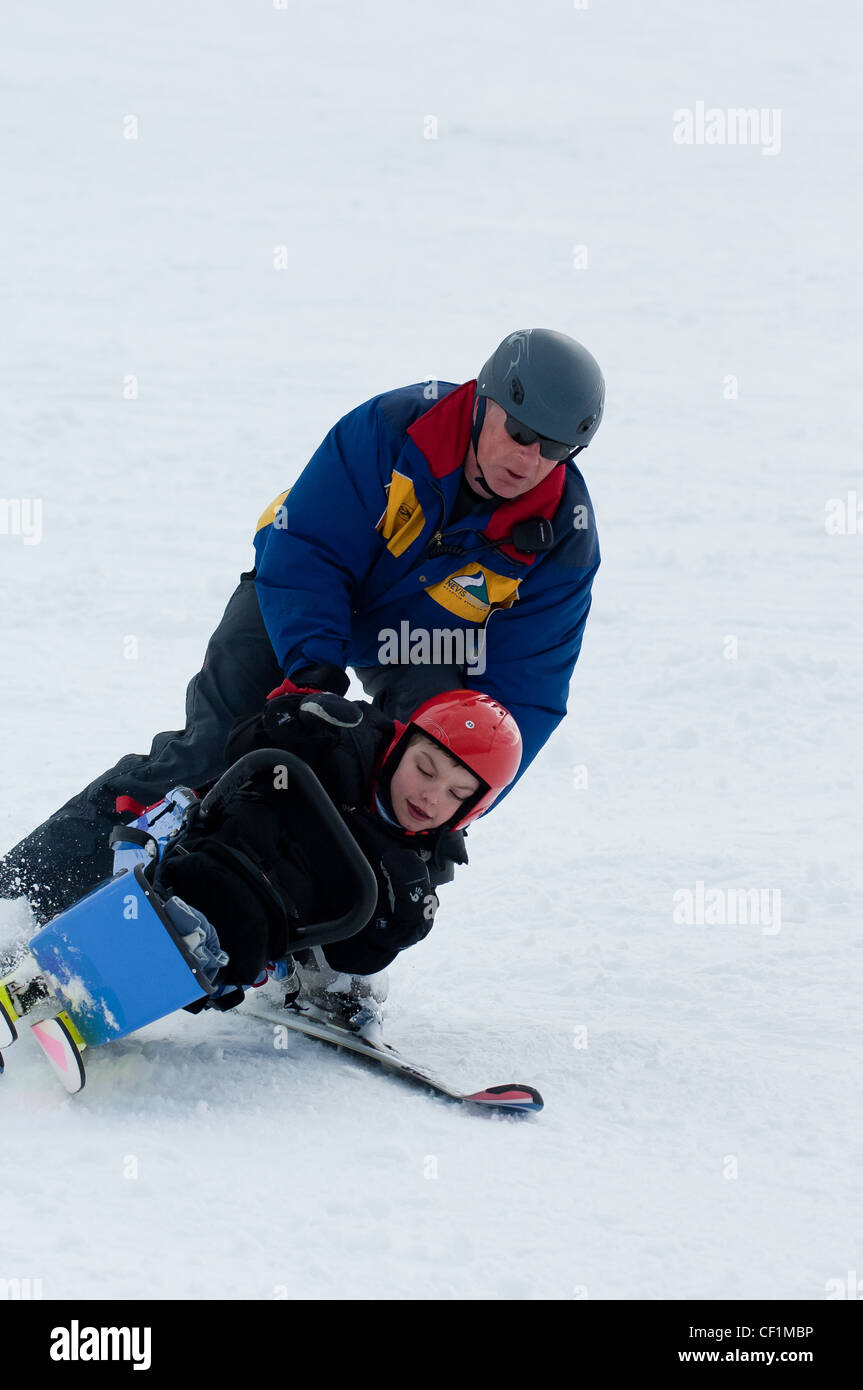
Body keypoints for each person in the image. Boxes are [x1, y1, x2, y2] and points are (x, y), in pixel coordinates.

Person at [0, 327, 604, 924]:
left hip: (420, 642)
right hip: (296, 593)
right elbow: (308, 547)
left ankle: (319, 956)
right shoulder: (394, 429)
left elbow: (526, 691)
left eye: (553, 449)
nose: (531, 461)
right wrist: (311, 672)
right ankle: (23, 900)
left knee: (423, 792)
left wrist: (469, 789)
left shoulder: (563, 536)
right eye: (521, 433)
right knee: (213, 749)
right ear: (482, 401)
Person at [146, 688, 523, 1031]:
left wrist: (399, 929)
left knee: (239, 939)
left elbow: (352, 952)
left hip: (283, 920)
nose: (430, 797)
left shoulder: (425, 863)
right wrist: (285, 718)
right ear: (402, 744)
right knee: (203, 889)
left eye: (456, 793)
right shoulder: (347, 737)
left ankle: (321, 987)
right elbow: (241, 751)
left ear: (473, 809)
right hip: (225, 844)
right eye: (425, 769)